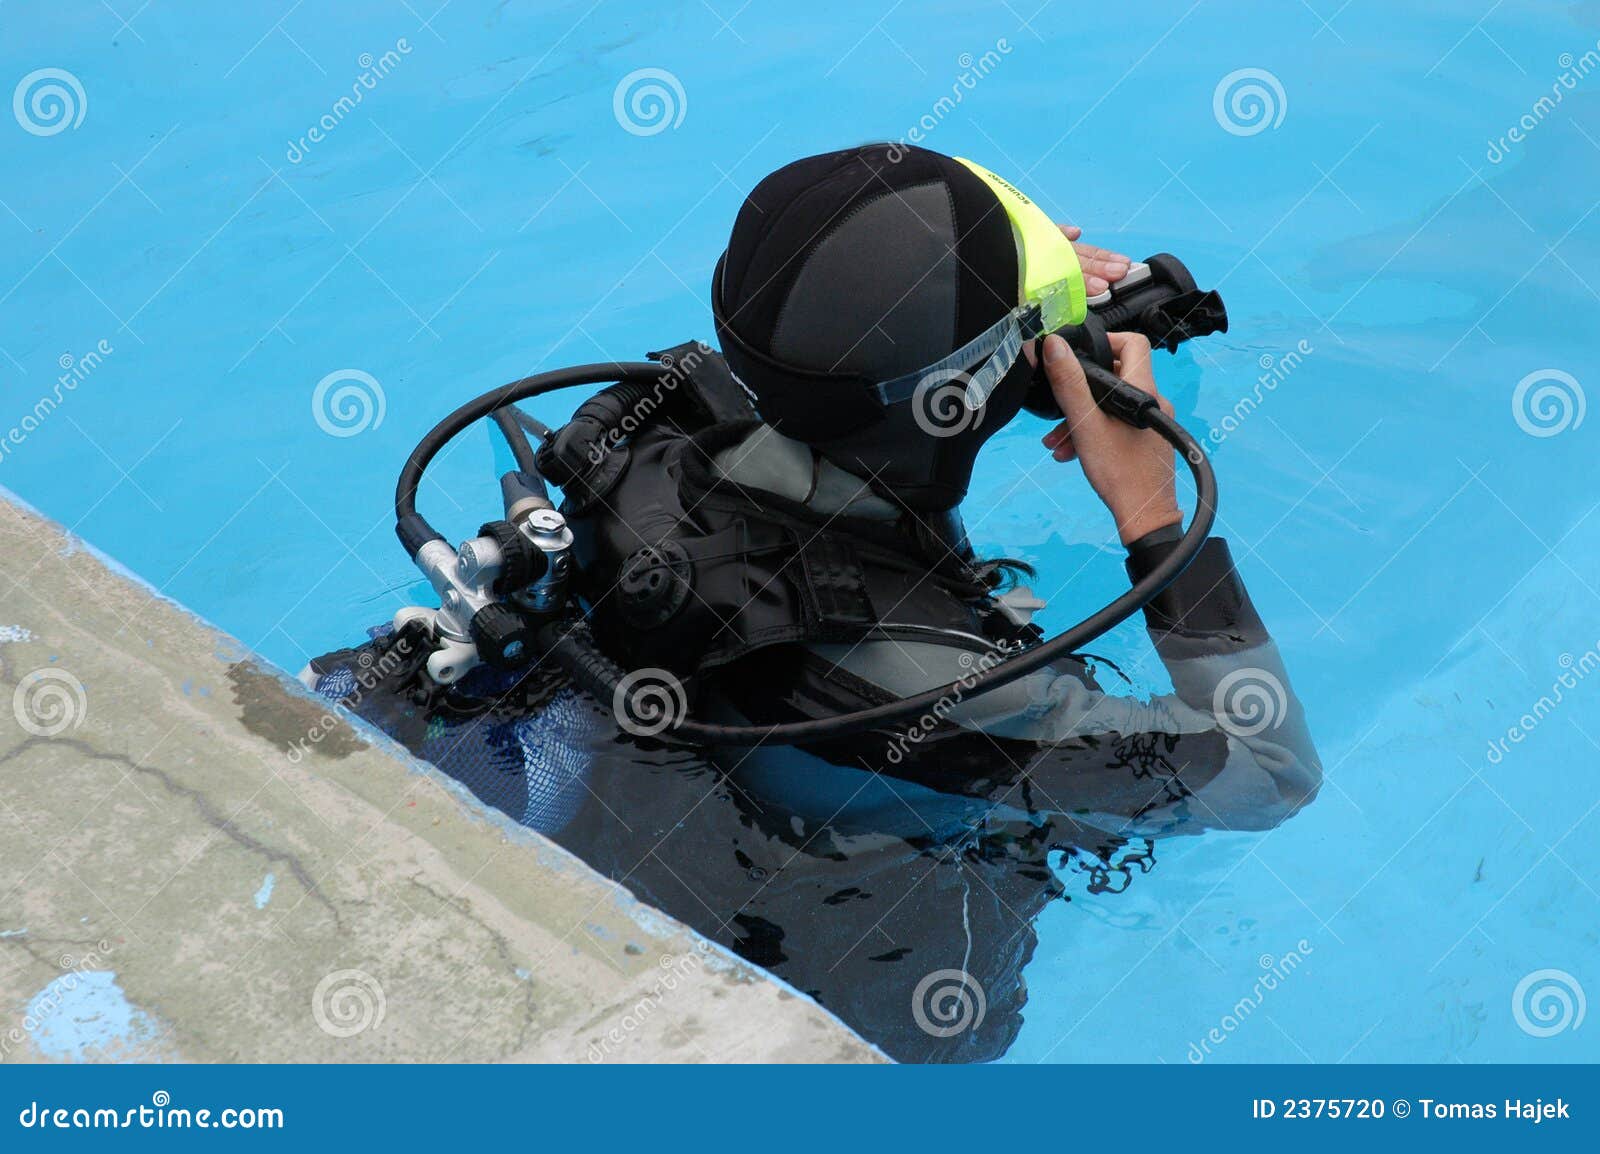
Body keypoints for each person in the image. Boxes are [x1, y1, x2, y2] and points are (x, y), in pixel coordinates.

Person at [307, 143, 1320, 1062]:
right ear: (961, 391)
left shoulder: (677, 431)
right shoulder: (932, 681)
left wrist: (978, 307)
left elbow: (868, 401)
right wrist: (1150, 511)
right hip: (813, 913)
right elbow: (1269, 777)